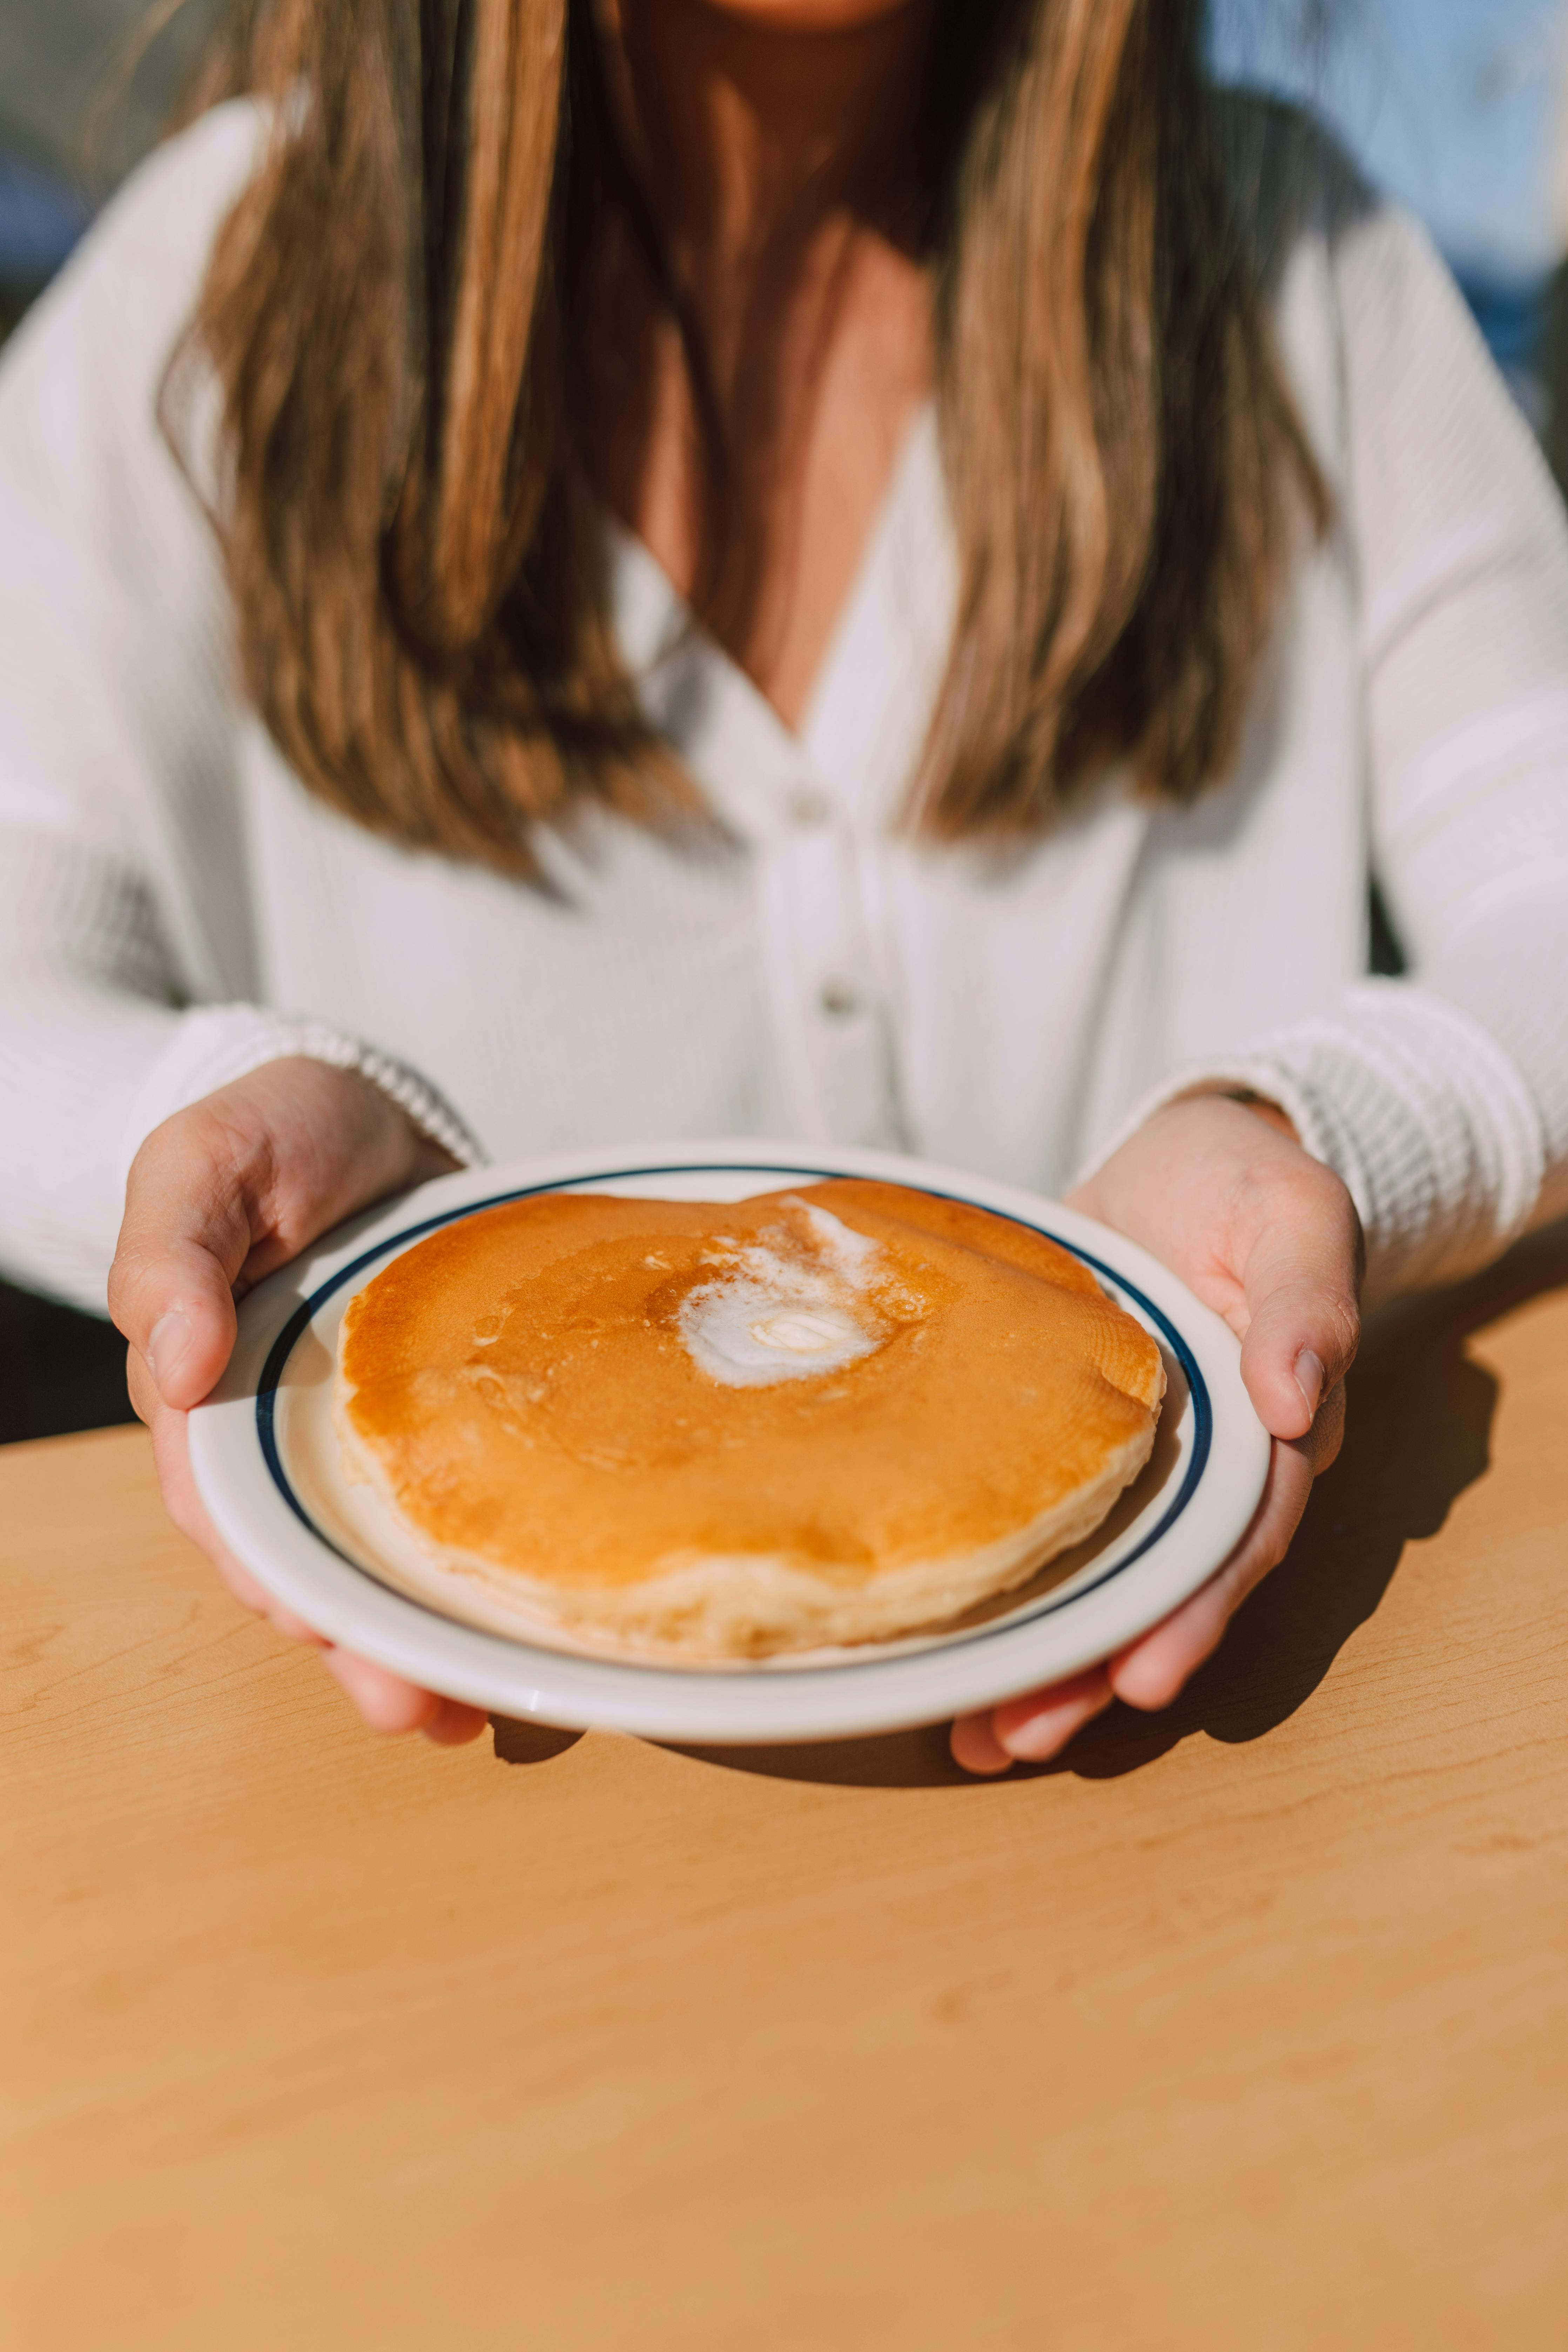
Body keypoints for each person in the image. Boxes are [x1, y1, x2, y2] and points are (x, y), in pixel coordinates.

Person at [2, 0, 1565, 1774]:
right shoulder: (221, 293)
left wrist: (1322, 1129)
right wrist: (203, 1123)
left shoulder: (1287, 264)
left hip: (1200, 1808)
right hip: (504, 1868)